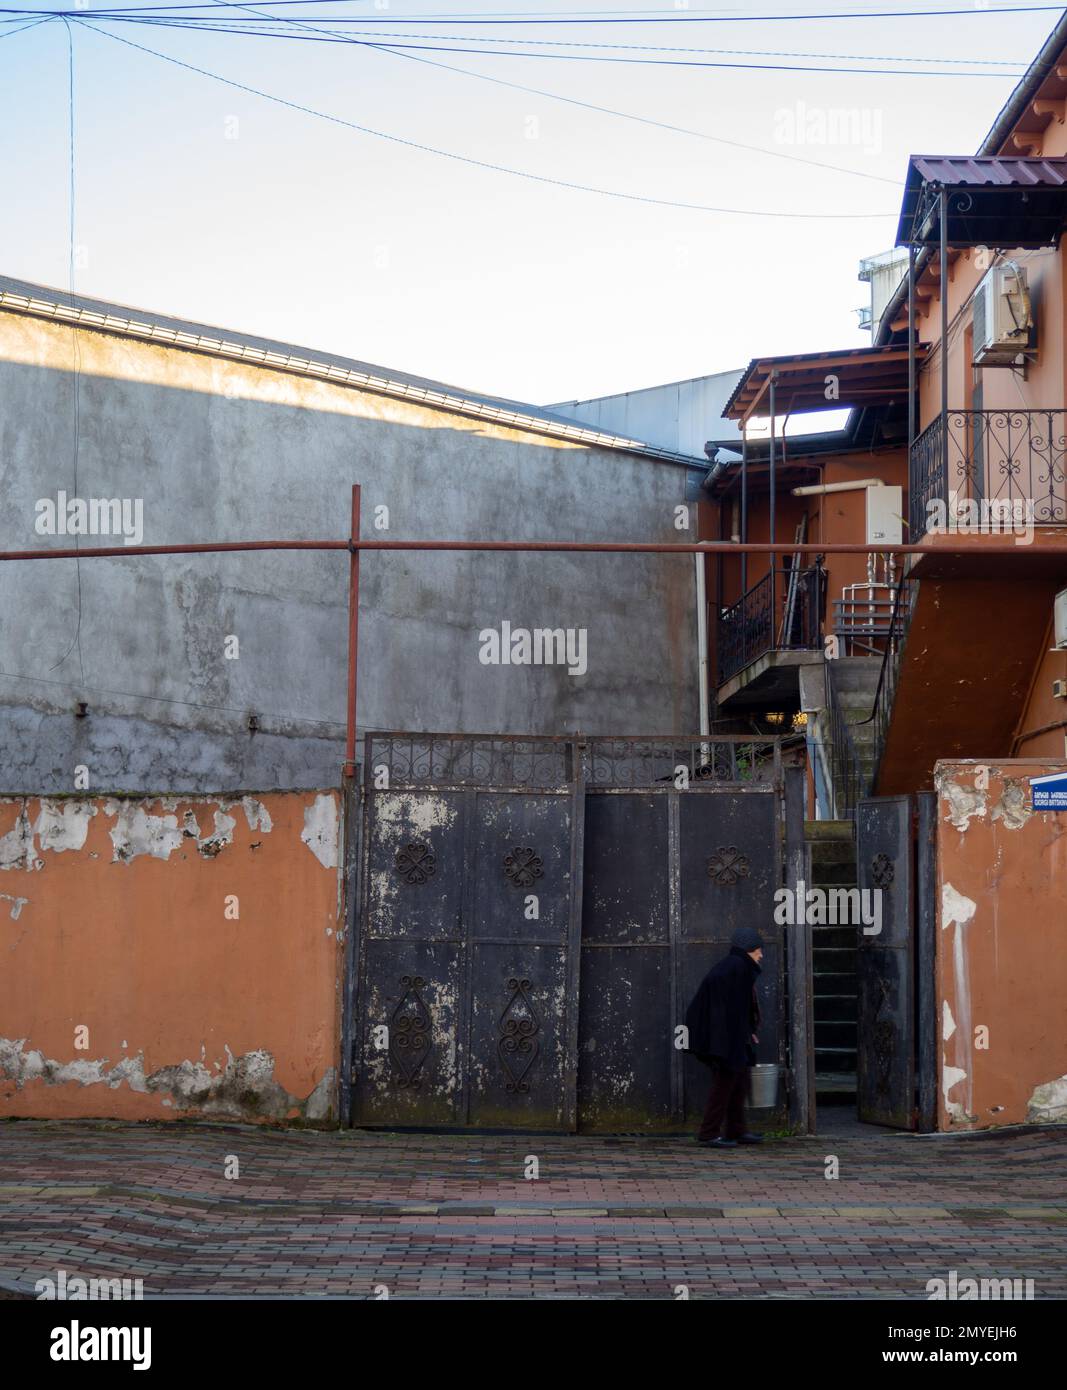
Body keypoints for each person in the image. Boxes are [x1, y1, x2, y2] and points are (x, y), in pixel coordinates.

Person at [684, 926, 765, 1149]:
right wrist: (736, 1038)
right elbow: (729, 1010)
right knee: (725, 1084)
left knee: (737, 1082)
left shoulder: (734, 967)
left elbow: (735, 1008)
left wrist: (747, 1033)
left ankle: (736, 1130)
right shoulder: (737, 969)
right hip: (724, 1038)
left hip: (726, 1036)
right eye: (757, 950)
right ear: (748, 950)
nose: (761, 955)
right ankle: (709, 1133)